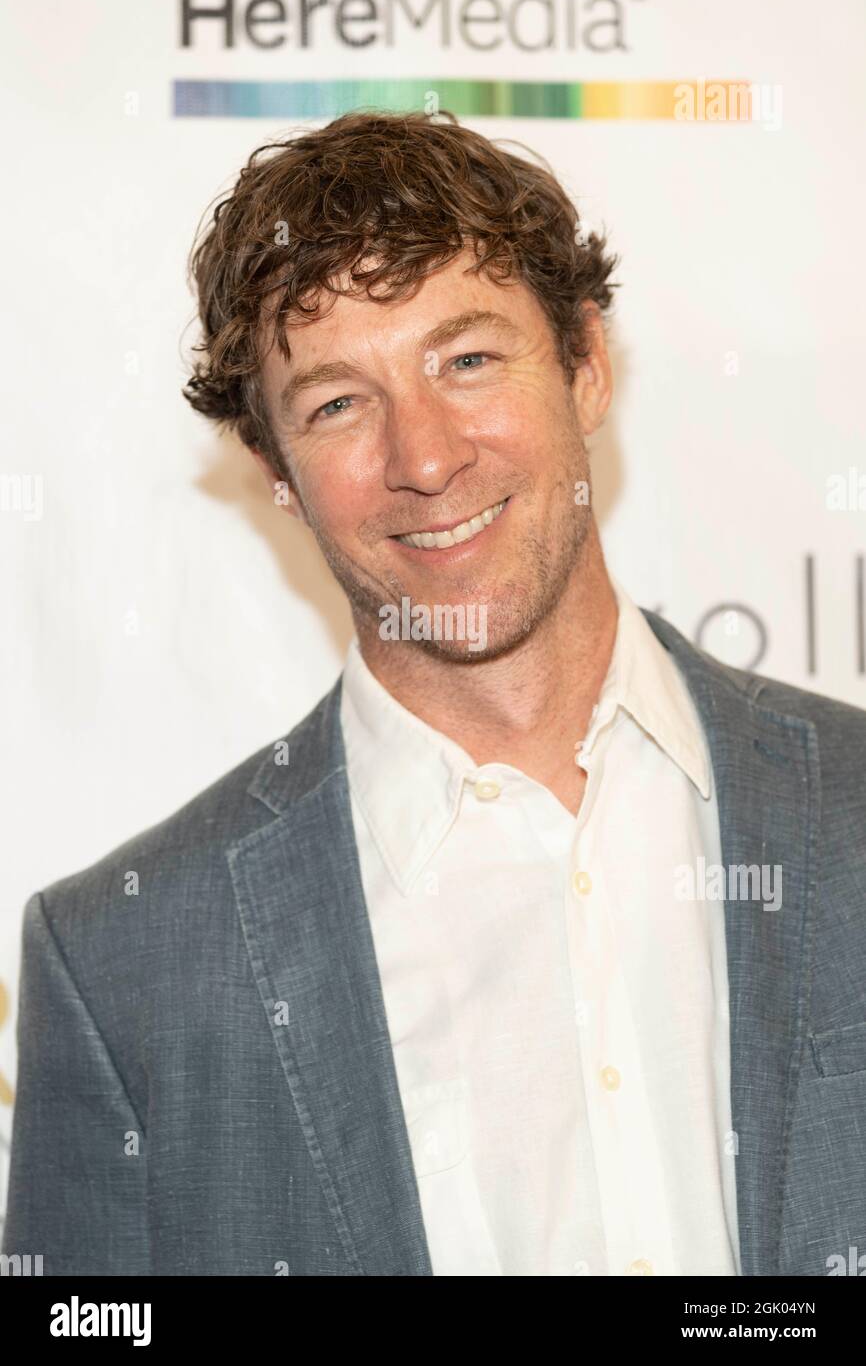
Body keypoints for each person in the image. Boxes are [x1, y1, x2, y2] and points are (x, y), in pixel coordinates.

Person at [4, 110, 865, 1277]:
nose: (424, 455)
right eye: (337, 404)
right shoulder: (122, 963)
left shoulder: (846, 806)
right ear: (276, 476)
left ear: (586, 366)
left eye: (466, 359)